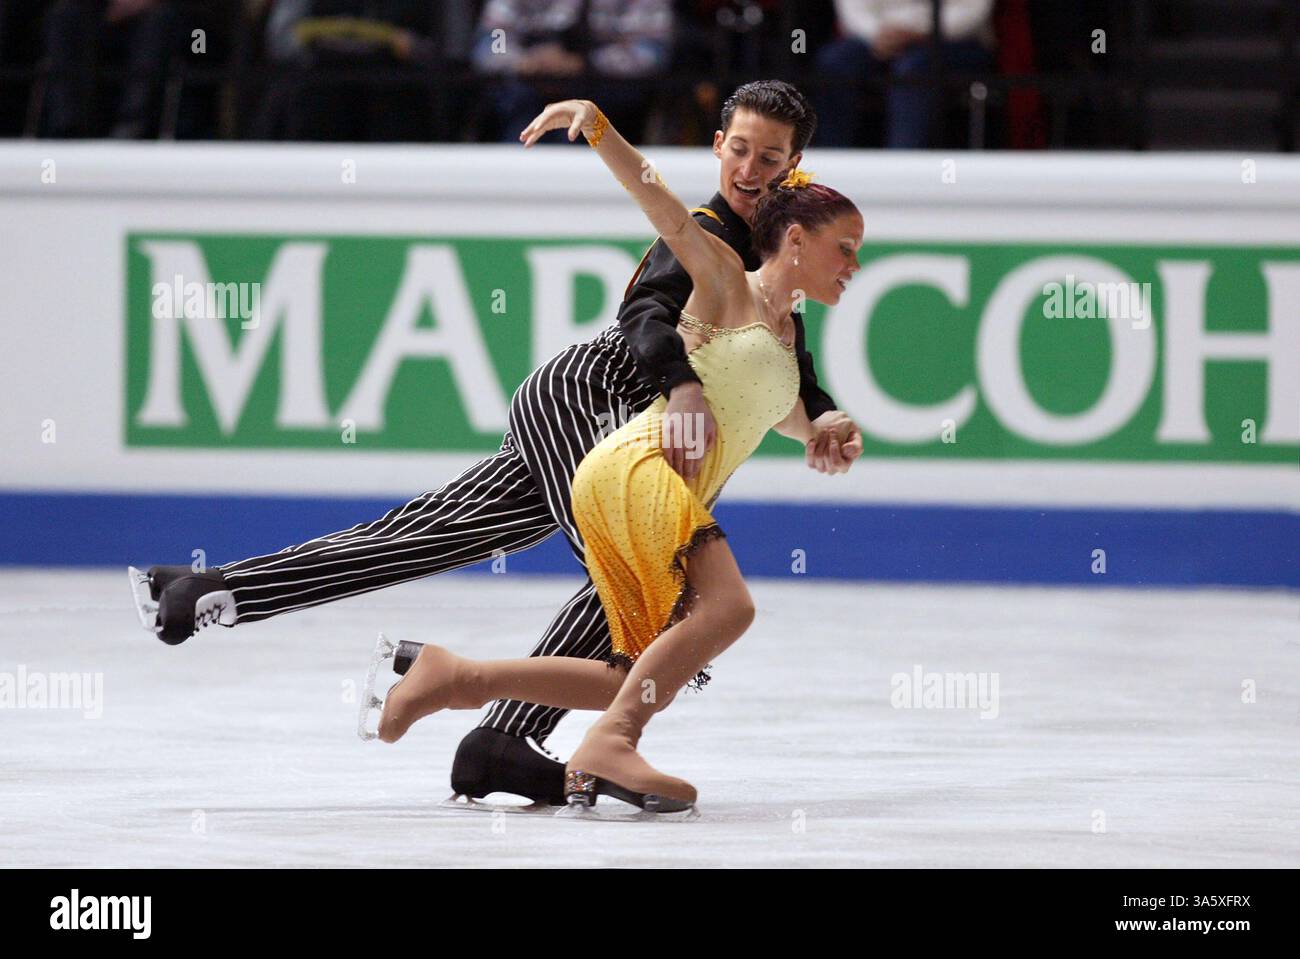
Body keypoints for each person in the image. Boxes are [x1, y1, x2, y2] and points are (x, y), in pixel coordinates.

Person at [128, 80, 864, 805]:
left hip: (621, 424)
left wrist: (823, 418)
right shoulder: (712, 231)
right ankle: (509, 738)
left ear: (794, 164)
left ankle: (213, 589)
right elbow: (642, 313)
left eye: (770, 158)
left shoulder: (777, 267)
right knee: (639, 581)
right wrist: (683, 385)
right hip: (589, 399)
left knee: (424, 536)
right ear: (718, 146)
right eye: (739, 149)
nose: (749, 170)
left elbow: (788, 370)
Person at [375, 97, 864, 812]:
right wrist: (598, 128)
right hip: (637, 467)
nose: (855, 263)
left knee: (631, 672)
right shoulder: (726, 278)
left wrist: (826, 430)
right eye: (845, 246)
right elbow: (658, 200)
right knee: (728, 608)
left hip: (664, 487)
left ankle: (458, 676)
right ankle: (612, 744)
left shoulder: (787, 342)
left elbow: (788, 414)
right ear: (795, 238)